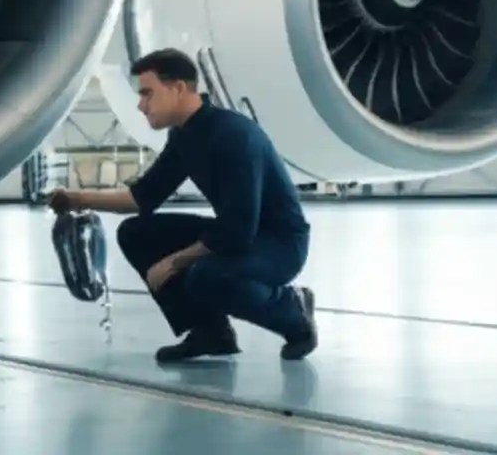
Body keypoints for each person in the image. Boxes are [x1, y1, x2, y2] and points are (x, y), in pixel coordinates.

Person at [50, 48, 317, 363]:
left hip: (280, 245)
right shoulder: (185, 135)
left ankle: (293, 314)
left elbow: (237, 233)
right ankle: (210, 332)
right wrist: (76, 199)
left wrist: (172, 262)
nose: (140, 104)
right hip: (238, 231)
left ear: (177, 88)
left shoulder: (233, 136)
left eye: (147, 93)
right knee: (136, 233)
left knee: (206, 275)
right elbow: (143, 197)